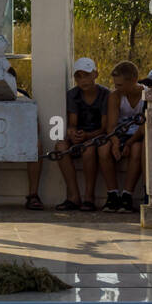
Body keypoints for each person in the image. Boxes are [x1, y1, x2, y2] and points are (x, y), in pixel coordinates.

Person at [51, 57, 109, 212]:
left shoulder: (105, 94)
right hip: (81, 136)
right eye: (79, 76)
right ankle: (73, 196)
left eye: (86, 75)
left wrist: (88, 136)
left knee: (88, 149)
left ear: (95, 74)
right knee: (60, 146)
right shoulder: (73, 95)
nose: (83, 80)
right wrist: (72, 133)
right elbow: (72, 122)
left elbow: (105, 127)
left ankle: (89, 197)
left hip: (96, 137)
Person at [98, 61, 145, 213]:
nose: (117, 88)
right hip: (119, 134)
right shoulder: (115, 96)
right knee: (103, 150)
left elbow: (145, 126)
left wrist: (130, 143)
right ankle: (112, 194)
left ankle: (127, 195)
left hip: (138, 136)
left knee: (137, 150)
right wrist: (115, 142)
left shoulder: (146, 95)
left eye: (120, 85)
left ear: (133, 81)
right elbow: (111, 125)